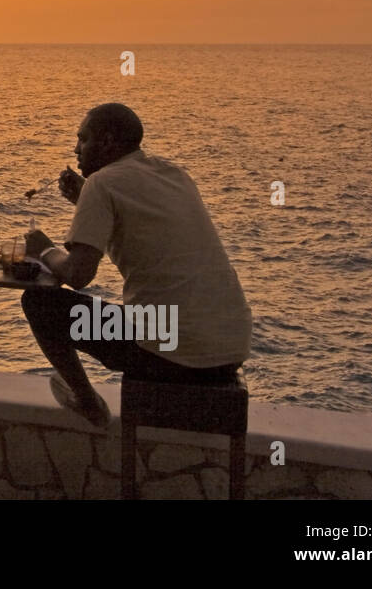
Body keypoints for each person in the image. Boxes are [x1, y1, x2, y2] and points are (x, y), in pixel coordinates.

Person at [19, 103, 253, 429]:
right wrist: (84, 198)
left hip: (167, 349)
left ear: (109, 141)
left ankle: (87, 401)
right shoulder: (174, 175)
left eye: (83, 140)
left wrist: (44, 249)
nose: (76, 150)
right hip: (230, 347)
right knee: (138, 315)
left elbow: (77, 274)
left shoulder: (102, 184)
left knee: (40, 304)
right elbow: (142, 226)